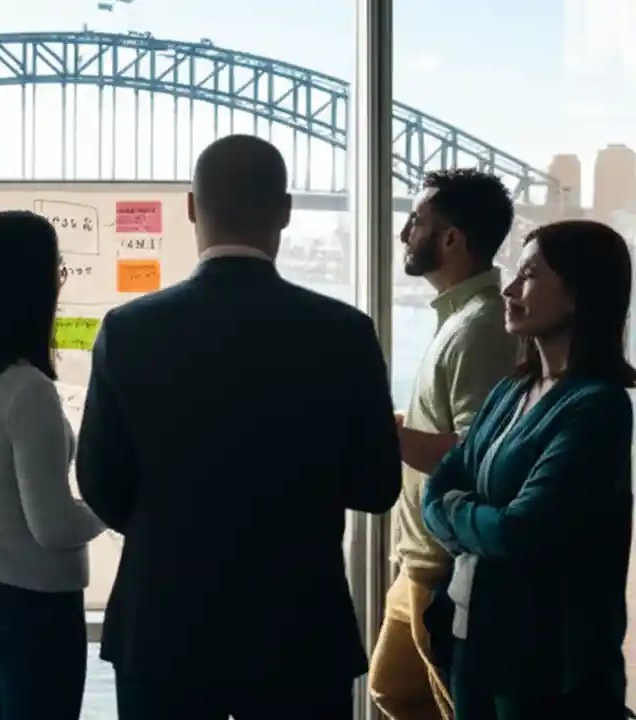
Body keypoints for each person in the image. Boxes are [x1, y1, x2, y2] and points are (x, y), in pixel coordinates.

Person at [76, 135, 401, 718]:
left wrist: (171, 528)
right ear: (286, 211)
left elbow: (99, 482)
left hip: (164, 624)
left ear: (191, 207)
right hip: (299, 629)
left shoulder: (129, 330)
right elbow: (377, 486)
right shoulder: (343, 332)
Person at [422, 220, 636, 719]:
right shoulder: (510, 391)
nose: (511, 289)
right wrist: (469, 513)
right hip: (476, 640)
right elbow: (437, 489)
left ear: (578, 294)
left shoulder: (596, 405)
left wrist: (456, 512)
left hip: (547, 667)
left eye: (530, 274)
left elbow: (522, 531)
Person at [0, 210, 105, 720]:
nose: (60, 282)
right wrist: (115, 502)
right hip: (29, 602)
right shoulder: (28, 392)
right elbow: (54, 528)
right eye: (57, 269)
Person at [370, 169, 520, 720]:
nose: (405, 232)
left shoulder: (481, 327)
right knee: (393, 692)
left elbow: (477, 455)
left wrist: (380, 433)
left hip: (443, 567)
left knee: (445, 704)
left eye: (416, 221)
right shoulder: (461, 318)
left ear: (451, 238)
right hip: (420, 562)